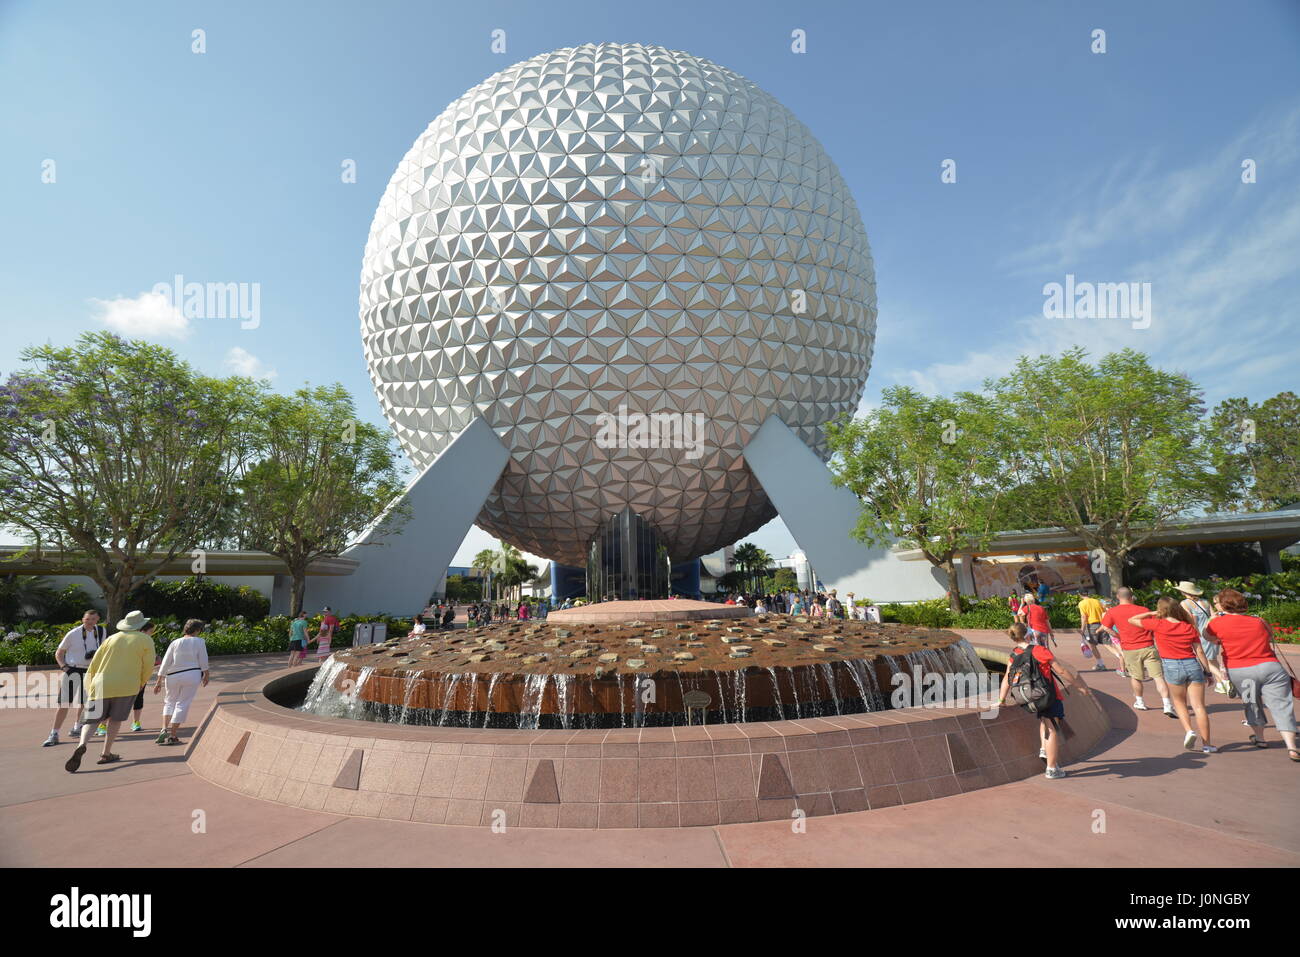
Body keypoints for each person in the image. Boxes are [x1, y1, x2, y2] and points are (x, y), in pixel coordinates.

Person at [1203, 588, 1298, 762]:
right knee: (1282, 705)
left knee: (1251, 702)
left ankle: (1260, 739)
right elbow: (1270, 636)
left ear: (1222, 605)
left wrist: (1212, 618)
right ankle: (1292, 746)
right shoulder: (1258, 621)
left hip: (1241, 670)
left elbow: (1207, 637)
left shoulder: (1217, 623)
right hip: (1270, 668)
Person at [64, 610, 157, 772]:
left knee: (91, 719)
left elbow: (95, 663)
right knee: (115, 719)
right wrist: (141, 683)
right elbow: (148, 665)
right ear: (141, 625)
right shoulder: (145, 640)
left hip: (101, 683)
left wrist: (91, 683)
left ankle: (82, 744)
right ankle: (106, 753)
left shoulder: (111, 639)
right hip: (127, 684)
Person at [997, 622, 1092, 779]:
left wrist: (1002, 699)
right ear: (1028, 634)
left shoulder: (1014, 654)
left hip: (1031, 697)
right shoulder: (1039, 650)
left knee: (1045, 721)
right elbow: (1061, 670)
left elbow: (1008, 678)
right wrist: (1080, 687)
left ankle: (1044, 748)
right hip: (1048, 696)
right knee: (1052, 729)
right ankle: (1052, 768)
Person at [1130, 597, 1215, 753]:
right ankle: (1207, 744)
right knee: (1199, 707)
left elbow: (1132, 620)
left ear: (1161, 609)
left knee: (1179, 703)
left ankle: (1189, 730)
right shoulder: (1188, 627)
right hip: (1192, 664)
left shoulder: (1158, 624)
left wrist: (1153, 613)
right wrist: (1208, 672)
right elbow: (1200, 651)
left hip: (1171, 665)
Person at [1101, 587, 1176, 717]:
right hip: (1148, 646)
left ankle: (1140, 701)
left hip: (1130, 648)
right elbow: (1153, 626)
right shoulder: (1143, 610)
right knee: (1158, 677)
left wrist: (1118, 636)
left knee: (1136, 677)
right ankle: (1167, 704)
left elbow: (1106, 627)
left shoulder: (1112, 611)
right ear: (1132, 596)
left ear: (1118, 597)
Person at [43, 610, 106, 747]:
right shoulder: (73, 633)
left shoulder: (101, 631)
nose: (90, 622)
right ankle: (54, 733)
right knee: (64, 703)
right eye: (88, 619)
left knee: (85, 702)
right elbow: (59, 652)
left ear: (98, 620)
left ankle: (77, 727)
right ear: (83, 618)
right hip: (73, 669)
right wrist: (64, 667)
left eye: (93, 619)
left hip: (91, 671)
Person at [152, 619, 209, 746]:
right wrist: (206, 674)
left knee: (169, 702)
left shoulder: (175, 642)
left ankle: (163, 729)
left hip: (172, 675)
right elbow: (203, 658)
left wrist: (159, 680)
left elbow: (166, 661)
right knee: (182, 703)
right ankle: (173, 735)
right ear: (197, 630)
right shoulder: (199, 641)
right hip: (192, 674)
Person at [1176, 581, 1231, 695]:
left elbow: (1190, 621)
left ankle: (1224, 679)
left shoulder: (1185, 603)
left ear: (1183, 592)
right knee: (1212, 659)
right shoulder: (1205, 602)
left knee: (1205, 661)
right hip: (1212, 632)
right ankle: (1220, 684)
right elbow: (1213, 617)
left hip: (1200, 634)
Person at [1076, 591, 1109, 671]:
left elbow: (1084, 617)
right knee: (1109, 644)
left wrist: (1082, 629)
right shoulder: (1097, 601)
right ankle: (1122, 659)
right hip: (1102, 624)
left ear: (1080, 594)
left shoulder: (1082, 603)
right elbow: (1105, 611)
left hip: (1091, 626)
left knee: (1092, 645)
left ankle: (1100, 664)